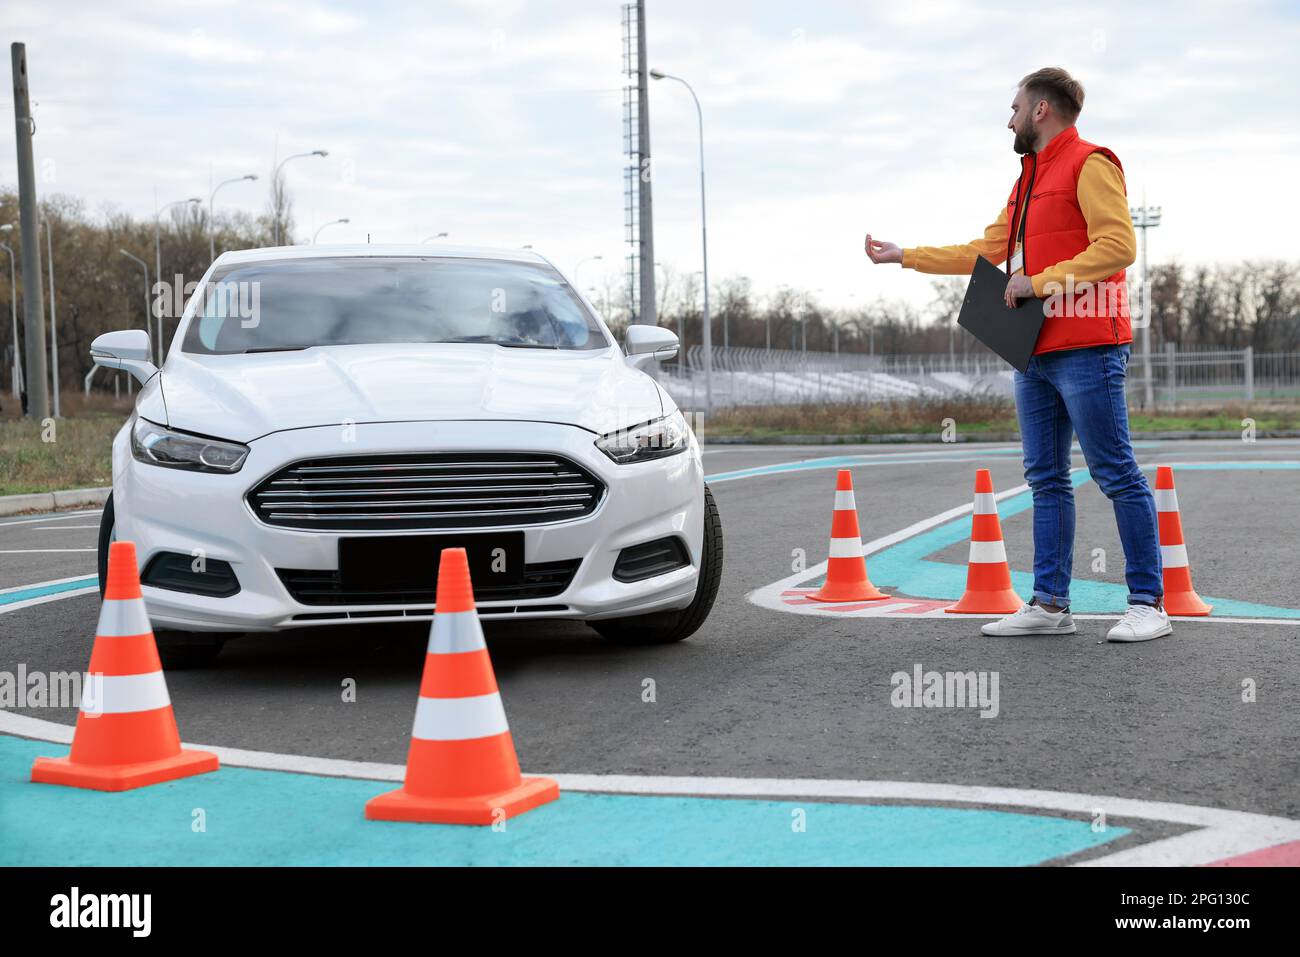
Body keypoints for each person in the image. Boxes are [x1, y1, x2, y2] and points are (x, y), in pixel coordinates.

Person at [863, 67, 1170, 643]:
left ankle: (1148, 603)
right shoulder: (1026, 180)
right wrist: (906, 255)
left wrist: (1040, 282)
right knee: (1046, 479)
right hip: (1034, 352)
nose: (1007, 117)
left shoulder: (1091, 162)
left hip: (1088, 346)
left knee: (1114, 472)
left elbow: (1119, 244)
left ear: (1040, 111)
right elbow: (987, 249)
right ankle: (1051, 606)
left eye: (1014, 107)